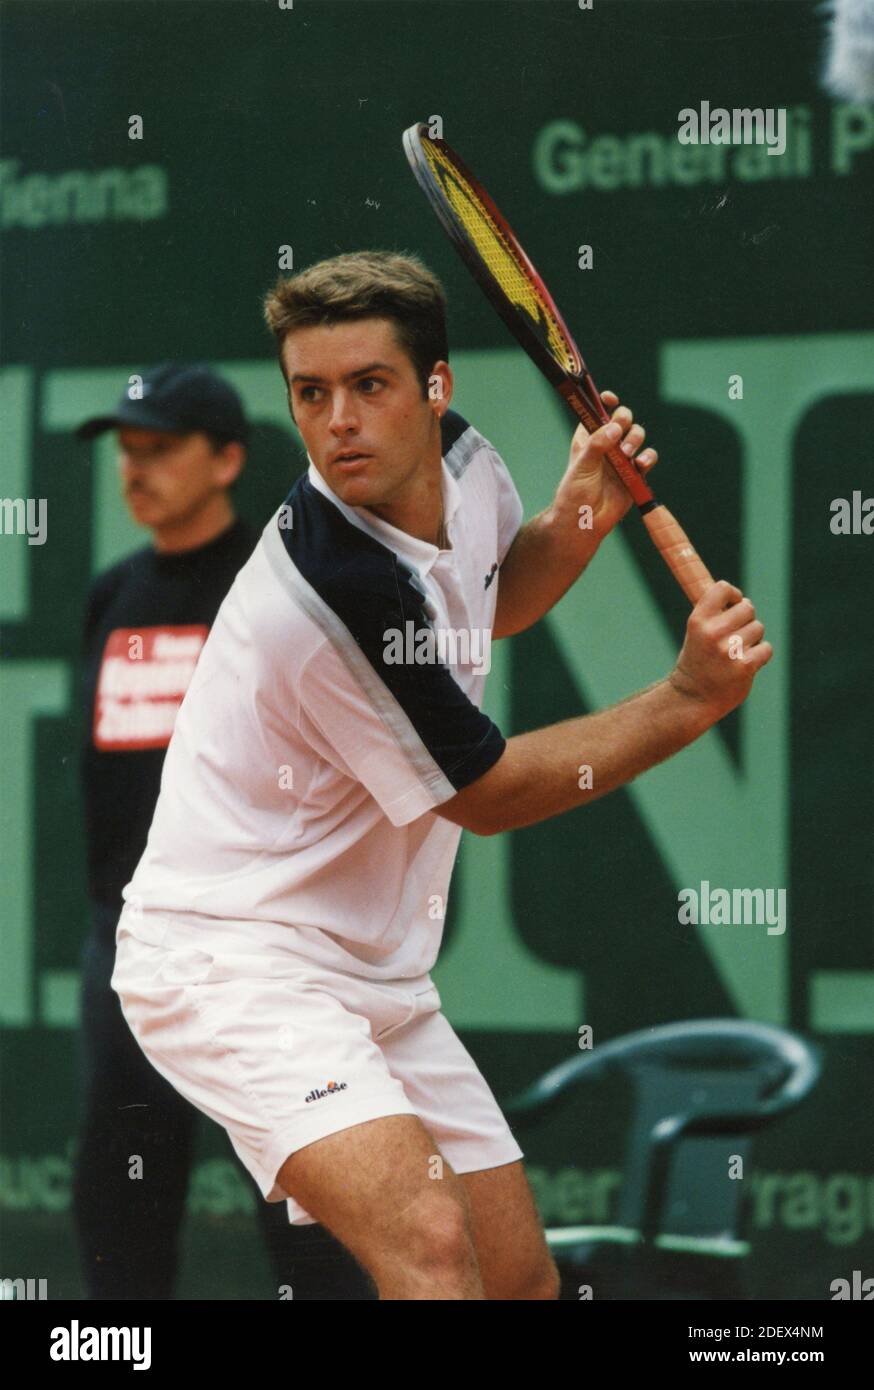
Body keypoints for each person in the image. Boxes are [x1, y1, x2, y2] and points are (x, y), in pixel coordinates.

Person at [110, 253, 772, 1301]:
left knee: (513, 1278)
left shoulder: (464, 465)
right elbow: (489, 791)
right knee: (427, 1243)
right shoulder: (330, 590)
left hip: (373, 974)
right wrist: (685, 698)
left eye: (369, 385)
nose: (338, 423)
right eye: (311, 394)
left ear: (436, 390)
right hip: (230, 960)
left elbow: (489, 598)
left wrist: (583, 511)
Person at [72, 362, 374, 1299]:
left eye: (160, 449)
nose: (136, 470)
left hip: (266, 947)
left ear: (228, 458)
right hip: (132, 944)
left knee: (304, 1194)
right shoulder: (110, 593)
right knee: (122, 1186)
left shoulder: (276, 587)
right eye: (127, 452)